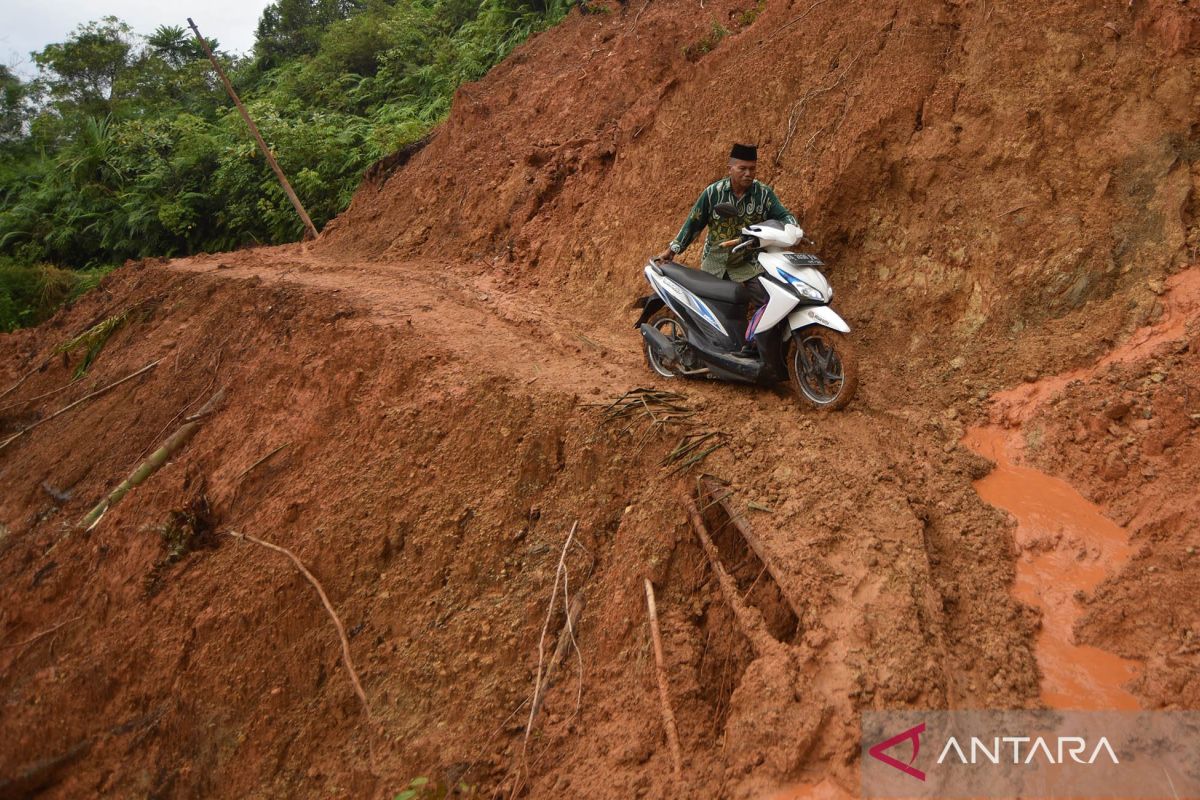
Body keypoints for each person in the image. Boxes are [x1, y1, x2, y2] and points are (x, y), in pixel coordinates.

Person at [655, 143, 797, 354]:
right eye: (743, 169)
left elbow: (785, 216)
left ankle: (753, 347)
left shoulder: (764, 194)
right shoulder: (713, 194)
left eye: (752, 169)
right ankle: (708, 352)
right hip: (715, 261)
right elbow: (694, 223)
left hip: (748, 261)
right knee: (711, 312)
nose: (748, 174)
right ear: (730, 168)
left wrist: (793, 229)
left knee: (766, 300)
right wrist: (672, 250)